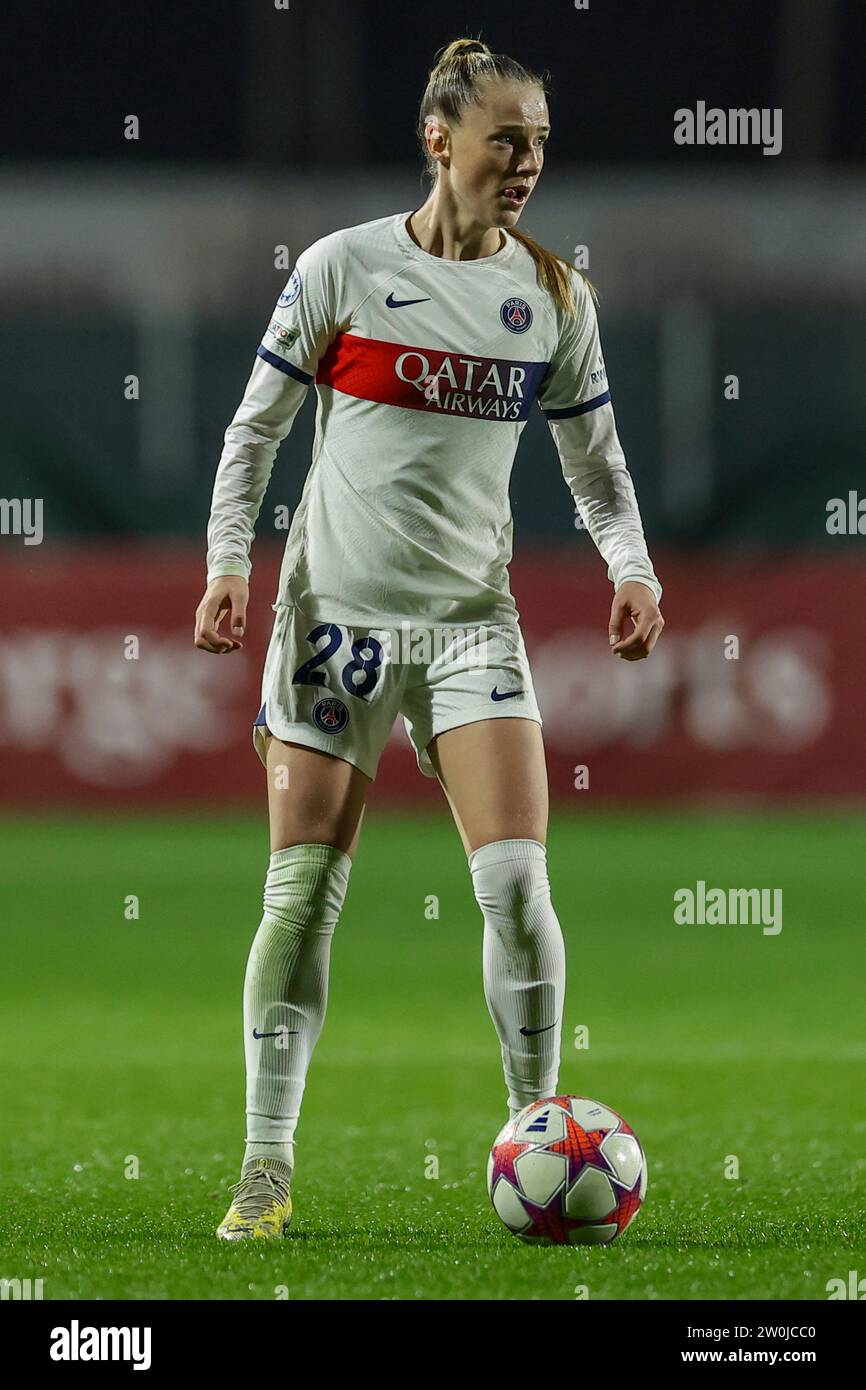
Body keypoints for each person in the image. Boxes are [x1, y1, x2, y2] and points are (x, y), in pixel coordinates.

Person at [196, 36, 664, 1240]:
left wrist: (630, 568)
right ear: (437, 136)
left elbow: (596, 471)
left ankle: (534, 1133)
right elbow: (254, 432)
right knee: (300, 896)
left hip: (470, 625)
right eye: (506, 138)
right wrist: (224, 569)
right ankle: (263, 1167)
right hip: (331, 625)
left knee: (514, 882)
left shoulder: (554, 299)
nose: (526, 162)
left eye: (540, 142)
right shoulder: (342, 268)